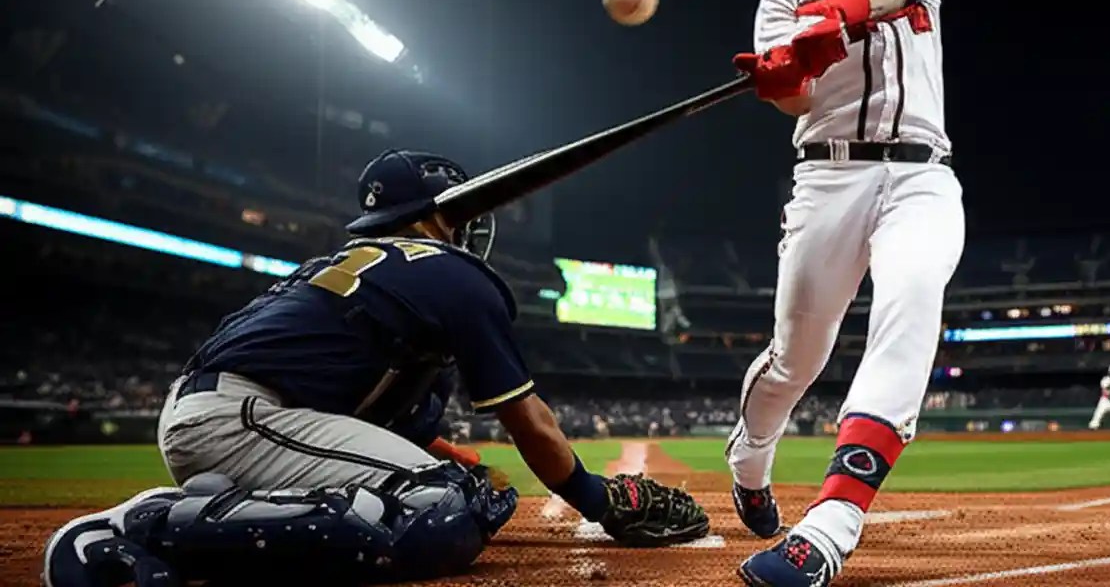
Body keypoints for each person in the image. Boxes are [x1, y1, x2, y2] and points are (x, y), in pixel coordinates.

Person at [42, 149, 709, 587]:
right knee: (439, 509)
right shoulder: (452, 275)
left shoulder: (358, 273)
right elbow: (526, 418)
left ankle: (217, 507)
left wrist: (462, 461)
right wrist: (598, 500)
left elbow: (395, 421)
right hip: (247, 417)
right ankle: (145, 526)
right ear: (439, 217)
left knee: (456, 488)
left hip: (239, 412)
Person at [726, 0, 966, 585]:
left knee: (913, 294)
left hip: (923, 174)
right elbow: (794, 100)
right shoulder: (781, 0)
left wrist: (841, 13)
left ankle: (833, 522)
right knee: (796, 360)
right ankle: (749, 458)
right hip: (829, 179)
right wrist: (784, 73)